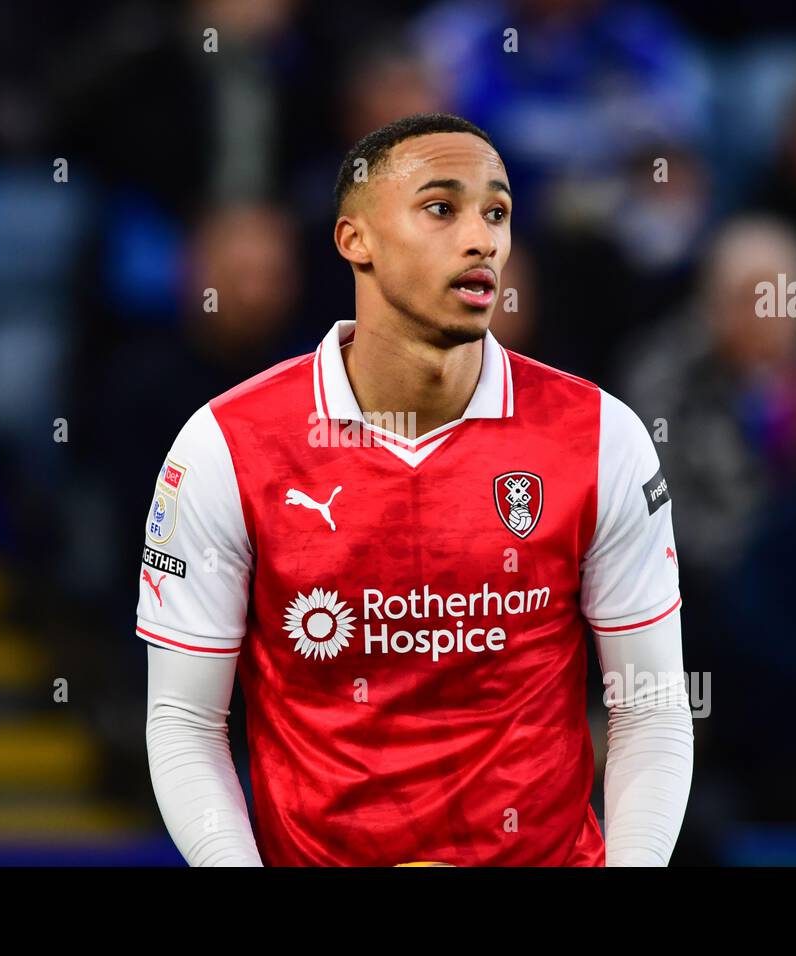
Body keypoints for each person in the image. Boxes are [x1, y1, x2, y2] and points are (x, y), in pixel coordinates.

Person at [139, 113, 693, 866]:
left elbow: (651, 708)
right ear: (354, 241)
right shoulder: (226, 448)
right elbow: (184, 720)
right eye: (441, 208)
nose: (481, 240)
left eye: (496, 212)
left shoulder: (603, 437)